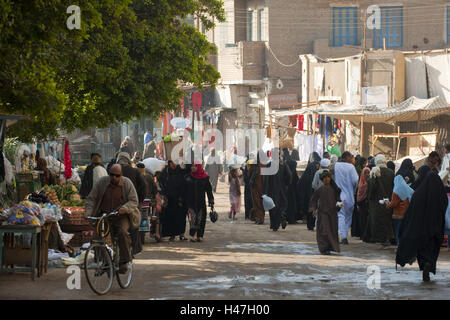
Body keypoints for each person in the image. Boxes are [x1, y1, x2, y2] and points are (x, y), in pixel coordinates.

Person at [85, 164, 138, 274]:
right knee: (97, 237)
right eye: (112, 175)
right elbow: (91, 199)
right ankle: (104, 261)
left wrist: (125, 208)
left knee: (122, 233)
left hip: (121, 216)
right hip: (104, 215)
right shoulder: (102, 183)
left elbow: (134, 201)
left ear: (121, 175)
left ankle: (124, 261)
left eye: (117, 176)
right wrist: (88, 213)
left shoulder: (127, 183)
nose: (114, 178)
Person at [396, 171, 448, 282]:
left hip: (421, 228)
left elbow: (411, 213)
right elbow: (444, 207)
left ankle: (425, 264)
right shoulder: (441, 194)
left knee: (423, 248)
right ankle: (430, 264)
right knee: (432, 249)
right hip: (436, 228)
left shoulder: (419, 194)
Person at [116, 152, 147, 253]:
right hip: (133, 203)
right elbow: (143, 187)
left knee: (118, 226)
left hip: (117, 204)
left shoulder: (113, 170)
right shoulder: (135, 171)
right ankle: (134, 248)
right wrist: (139, 201)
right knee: (134, 225)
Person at [365, 154, 395, 247]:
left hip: (376, 201)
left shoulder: (374, 171)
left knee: (377, 220)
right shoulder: (391, 172)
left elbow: (370, 189)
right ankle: (387, 238)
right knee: (387, 220)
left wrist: (369, 198)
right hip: (388, 200)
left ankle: (379, 238)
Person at [309, 171, 341, 255]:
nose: (327, 179)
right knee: (324, 230)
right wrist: (314, 210)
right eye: (325, 178)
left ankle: (330, 248)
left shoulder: (334, 190)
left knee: (332, 230)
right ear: (322, 180)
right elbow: (314, 200)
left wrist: (339, 205)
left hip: (332, 213)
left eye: (328, 177)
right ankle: (323, 248)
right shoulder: (320, 189)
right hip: (323, 213)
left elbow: (338, 200)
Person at [183, 164, 214, 242]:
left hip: (201, 202)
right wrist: (181, 199)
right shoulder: (187, 177)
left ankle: (200, 235)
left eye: (195, 166)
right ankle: (192, 235)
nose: (193, 168)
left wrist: (211, 200)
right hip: (190, 202)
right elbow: (183, 190)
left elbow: (209, 190)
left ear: (199, 167)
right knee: (192, 218)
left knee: (200, 219)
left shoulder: (205, 178)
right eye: (192, 166)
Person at [263, 148, 292, 231]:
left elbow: (266, 179)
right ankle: (278, 222)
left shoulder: (269, 165)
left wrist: (264, 191)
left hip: (271, 190)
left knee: (272, 207)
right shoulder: (283, 164)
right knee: (279, 207)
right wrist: (286, 184)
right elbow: (289, 176)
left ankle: (274, 225)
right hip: (281, 190)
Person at [334, 151, 359, 244]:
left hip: (339, 196)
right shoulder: (351, 167)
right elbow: (355, 180)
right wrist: (355, 190)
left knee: (340, 215)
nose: (353, 159)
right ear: (347, 157)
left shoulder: (336, 165)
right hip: (350, 196)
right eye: (351, 157)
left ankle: (343, 236)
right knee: (348, 217)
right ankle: (344, 235)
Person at [159, 160, 187, 241]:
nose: (173, 165)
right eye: (171, 163)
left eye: (175, 162)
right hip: (169, 199)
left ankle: (181, 234)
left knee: (181, 217)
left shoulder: (181, 172)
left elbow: (184, 186)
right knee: (171, 217)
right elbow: (161, 182)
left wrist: (181, 198)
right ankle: (172, 235)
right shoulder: (165, 172)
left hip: (180, 199)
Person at [387, 175, 414, 245]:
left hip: (398, 214)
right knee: (404, 231)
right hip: (406, 213)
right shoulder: (407, 188)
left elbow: (394, 204)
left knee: (397, 231)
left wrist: (387, 204)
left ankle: (399, 245)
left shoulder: (396, 191)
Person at [136, 163, 160, 241]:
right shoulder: (149, 177)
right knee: (150, 215)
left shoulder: (136, 177)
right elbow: (155, 189)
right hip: (148, 201)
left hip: (140, 201)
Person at [297, 157, 320, 230]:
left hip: (309, 196)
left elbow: (299, 184)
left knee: (310, 210)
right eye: (316, 166)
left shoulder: (307, 174)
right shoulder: (312, 175)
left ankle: (311, 225)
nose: (317, 168)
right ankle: (311, 225)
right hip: (310, 195)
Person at [283, 148, 299, 225]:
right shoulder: (293, 173)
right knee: (292, 204)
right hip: (292, 191)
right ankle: (291, 219)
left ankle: (285, 218)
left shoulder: (286, 171)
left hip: (286, 190)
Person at [249, 153, 265, 225]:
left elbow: (250, 175)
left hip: (256, 187)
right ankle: (260, 218)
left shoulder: (255, 165)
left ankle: (259, 218)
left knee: (257, 203)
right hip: (262, 188)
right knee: (260, 203)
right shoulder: (265, 165)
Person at [356, 167, 371, 240]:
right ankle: (362, 234)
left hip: (367, 202)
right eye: (365, 173)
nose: (367, 174)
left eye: (368, 173)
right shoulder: (361, 181)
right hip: (361, 202)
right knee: (362, 219)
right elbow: (359, 192)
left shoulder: (370, 181)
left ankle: (366, 235)